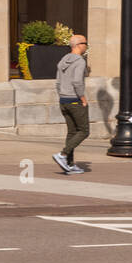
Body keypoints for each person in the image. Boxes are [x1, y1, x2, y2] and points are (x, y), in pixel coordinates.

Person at [53, 34, 89, 174]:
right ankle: (62, 155)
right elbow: (77, 82)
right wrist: (83, 99)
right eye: (85, 43)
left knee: (72, 132)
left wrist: (62, 94)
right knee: (84, 131)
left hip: (63, 100)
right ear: (79, 45)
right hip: (75, 99)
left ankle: (69, 164)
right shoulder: (79, 61)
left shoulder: (63, 60)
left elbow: (57, 82)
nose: (86, 46)